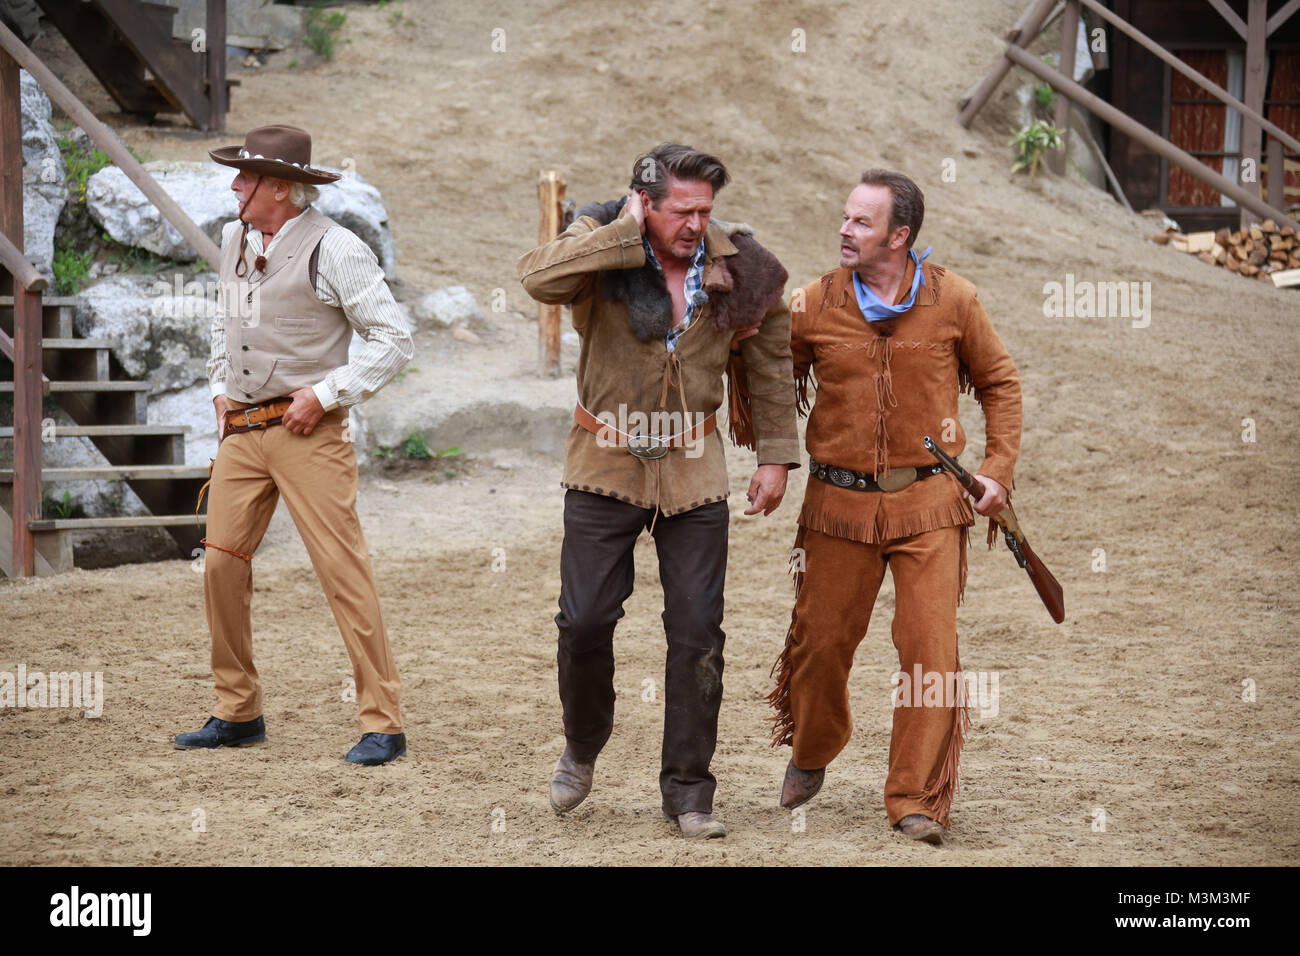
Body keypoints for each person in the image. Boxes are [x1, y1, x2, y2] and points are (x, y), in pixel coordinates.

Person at [517, 143, 800, 839]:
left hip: (694, 467)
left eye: (706, 209)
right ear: (645, 201)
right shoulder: (599, 243)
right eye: (682, 209)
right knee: (583, 621)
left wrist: (776, 457)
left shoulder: (746, 267)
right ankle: (583, 746)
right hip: (603, 461)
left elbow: (768, 367)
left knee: (699, 631)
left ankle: (689, 791)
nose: (697, 223)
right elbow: (536, 280)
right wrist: (621, 230)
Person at [768, 169, 1022, 844]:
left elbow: (1000, 382)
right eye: (846, 217)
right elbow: (768, 371)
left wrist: (997, 470)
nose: (844, 230)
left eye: (860, 222)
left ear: (898, 235)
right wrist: (770, 452)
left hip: (931, 504)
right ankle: (815, 745)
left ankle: (915, 797)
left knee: (930, 652)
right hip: (836, 508)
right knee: (819, 645)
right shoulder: (814, 302)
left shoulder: (955, 300)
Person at [174, 125, 414, 766]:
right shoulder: (233, 237)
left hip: (311, 435)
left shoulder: (337, 248)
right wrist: (220, 391)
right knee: (221, 564)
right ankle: (238, 710)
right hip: (242, 434)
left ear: (281, 188)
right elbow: (227, 323)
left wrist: (327, 394)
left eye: (245, 178)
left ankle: (383, 722)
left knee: (342, 572)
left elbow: (393, 339)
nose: (234, 187)